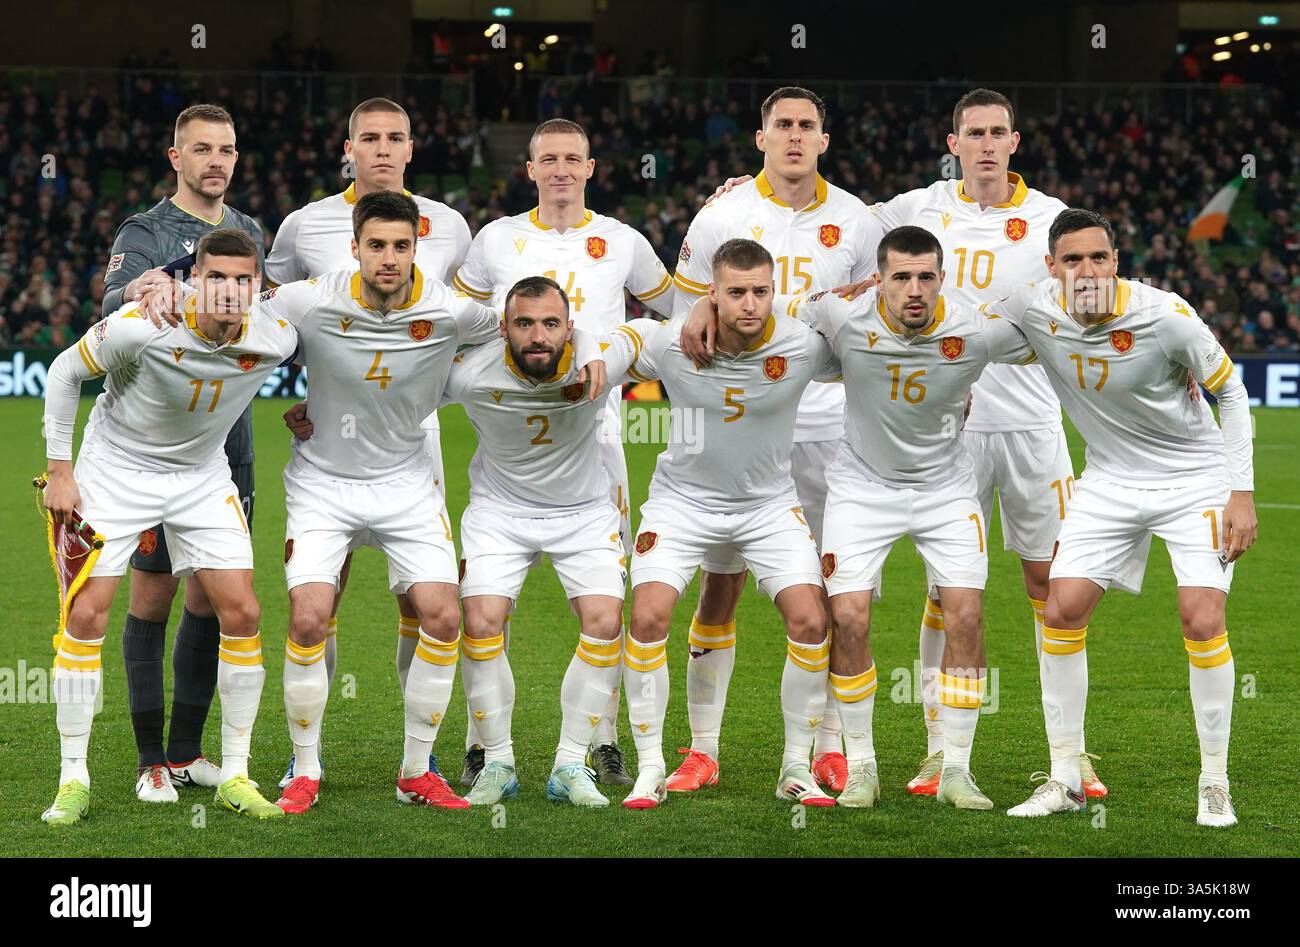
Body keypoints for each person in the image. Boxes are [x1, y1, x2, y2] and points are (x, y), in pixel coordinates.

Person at [263, 192, 604, 814]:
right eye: (376, 246)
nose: (388, 258)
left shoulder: (450, 310)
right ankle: (305, 770)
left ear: (417, 247)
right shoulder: (308, 299)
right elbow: (239, 329)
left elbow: (527, 330)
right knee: (310, 616)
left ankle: (415, 770)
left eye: (401, 246)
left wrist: (592, 350)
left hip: (407, 483)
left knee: (443, 617)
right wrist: (158, 292)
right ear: (355, 248)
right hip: (323, 482)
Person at [986, 209, 1256, 827]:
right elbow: (966, 334)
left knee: (1201, 617)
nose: (1087, 271)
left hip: (1195, 480)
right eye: (1072, 260)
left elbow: (1232, 392)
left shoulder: (1165, 314)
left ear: (1116, 262)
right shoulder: (1034, 309)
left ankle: (1214, 782)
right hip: (1107, 481)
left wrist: (1239, 495)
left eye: (1098, 258)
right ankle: (1065, 776)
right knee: (1061, 609)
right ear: (1051, 267)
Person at [665, 87, 883, 794]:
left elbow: (874, 318)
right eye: (782, 125)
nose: (794, 136)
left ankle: (826, 746)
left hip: (824, 420)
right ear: (759, 137)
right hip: (730, 419)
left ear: (825, 137)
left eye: (807, 126)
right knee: (718, 583)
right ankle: (702, 748)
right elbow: (681, 318)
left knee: (828, 591)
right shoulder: (723, 212)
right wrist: (701, 300)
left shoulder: (856, 219)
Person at [39, 229, 295, 825]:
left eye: (242, 279)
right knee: (86, 614)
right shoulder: (142, 324)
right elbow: (61, 372)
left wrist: (311, 411)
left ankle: (235, 773)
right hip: (116, 468)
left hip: (202, 475)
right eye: (217, 278)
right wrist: (59, 469)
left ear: (258, 286)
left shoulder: (276, 337)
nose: (230, 292)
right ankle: (72, 779)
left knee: (244, 612)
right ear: (194, 280)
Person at [449, 117, 675, 787]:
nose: (560, 169)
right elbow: (461, 321)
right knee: (489, 599)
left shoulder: (623, 241)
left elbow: (675, 309)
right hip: (513, 423)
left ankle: (600, 736)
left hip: (598, 433)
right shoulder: (497, 239)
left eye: (571, 158)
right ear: (529, 168)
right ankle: (482, 738)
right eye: (548, 158)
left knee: (606, 599)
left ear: (590, 166)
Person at [267, 96, 472, 788]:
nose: (382, 149)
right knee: (318, 602)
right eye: (369, 138)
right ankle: (306, 761)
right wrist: (302, 398)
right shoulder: (304, 226)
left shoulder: (451, 226)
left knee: (428, 604)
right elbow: (268, 321)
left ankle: (422, 758)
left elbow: (471, 332)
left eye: (395, 138)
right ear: (347, 146)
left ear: (412, 148)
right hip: (330, 442)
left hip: (413, 438)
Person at [606, 238, 842, 809]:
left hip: (767, 505)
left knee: (811, 620)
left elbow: (870, 347)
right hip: (683, 501)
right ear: (712, 293)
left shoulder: (802, 344)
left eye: (761, 291)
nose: (750, 304)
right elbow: (619, 342)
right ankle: (653, 767)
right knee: (647, 615)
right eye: (736, 292)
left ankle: (796, 767)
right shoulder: (674, 340)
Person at [100, 104, 266, 802]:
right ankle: (147, 761)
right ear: (176, 157)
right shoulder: (146, 230)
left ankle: (188, 749)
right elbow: (110, 300)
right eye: (201, 149)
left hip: (231, 443)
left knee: (212, 596)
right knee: (154, 593)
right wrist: (146, 284)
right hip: (158, 447)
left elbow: (271, 313)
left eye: (226, 148)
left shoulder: (251, 231)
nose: (216, 160)